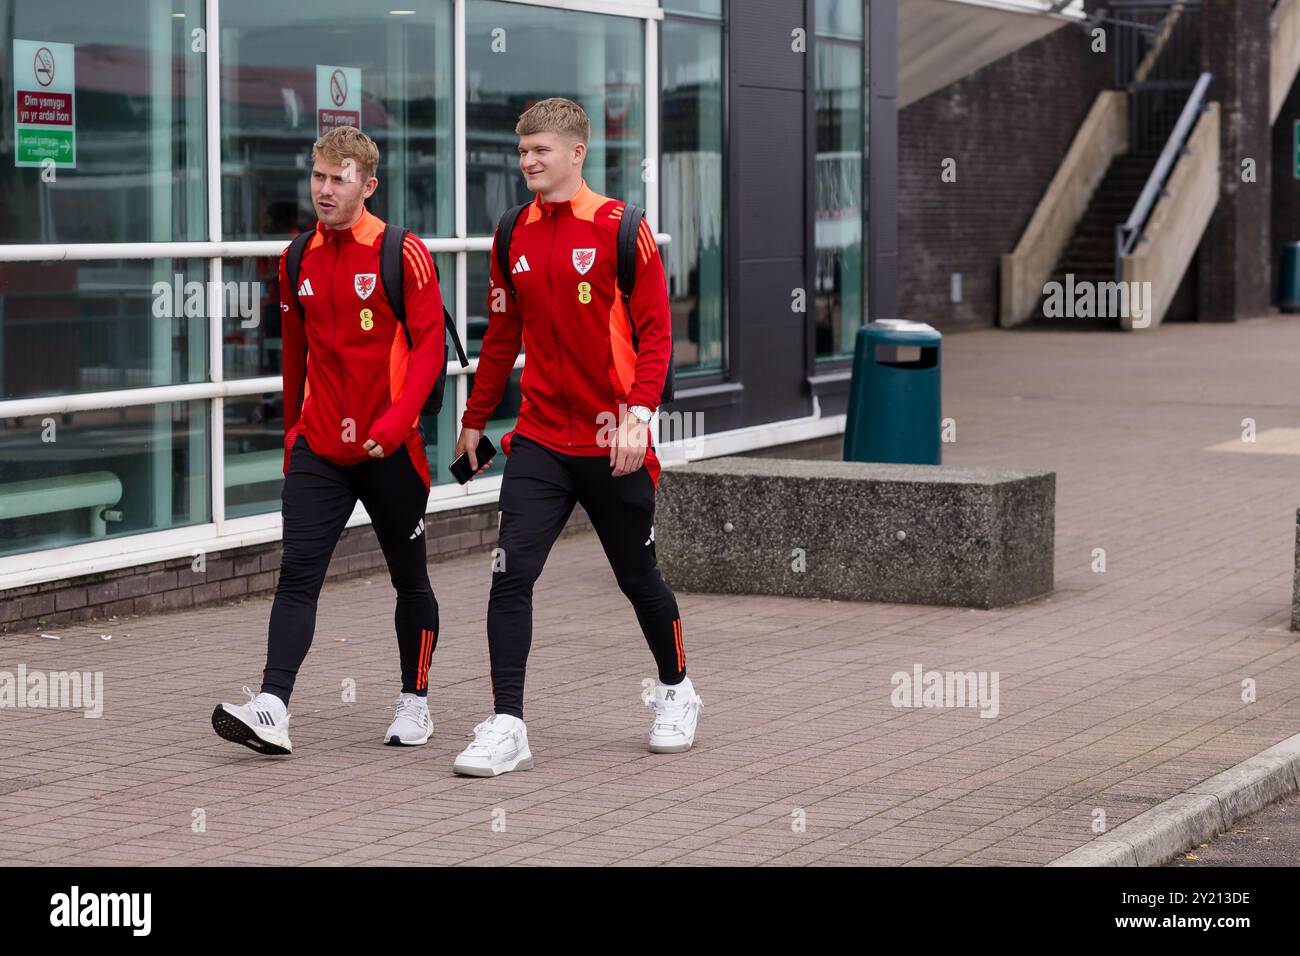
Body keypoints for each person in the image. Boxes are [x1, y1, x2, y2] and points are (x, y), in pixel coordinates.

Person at [451, 98, 702, 777]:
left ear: (576, 153)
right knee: (511, 573)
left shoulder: (623, 229)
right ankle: (507, 725)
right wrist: (476, 418)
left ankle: (677, 691)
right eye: (523, 150)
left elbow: (656, 332)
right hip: (539, 439)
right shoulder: (512, 234)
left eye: (540, 151)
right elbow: (501, 335)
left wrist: (639, 415)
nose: (528, 161)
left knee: (637, 576)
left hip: (614, 439)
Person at [212, 127, 445, 754]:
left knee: (410, 582)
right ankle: (272, 706)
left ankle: (415, 700)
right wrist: (292, 433)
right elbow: (295, 355)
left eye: (338, 178)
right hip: (320, 449)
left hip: (390, 450)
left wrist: (397, 425)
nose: (324, 188)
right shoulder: (296, 258)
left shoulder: (403, 252)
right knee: (297, 576)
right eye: (317, 175)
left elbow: (429, 351)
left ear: (367, 185)